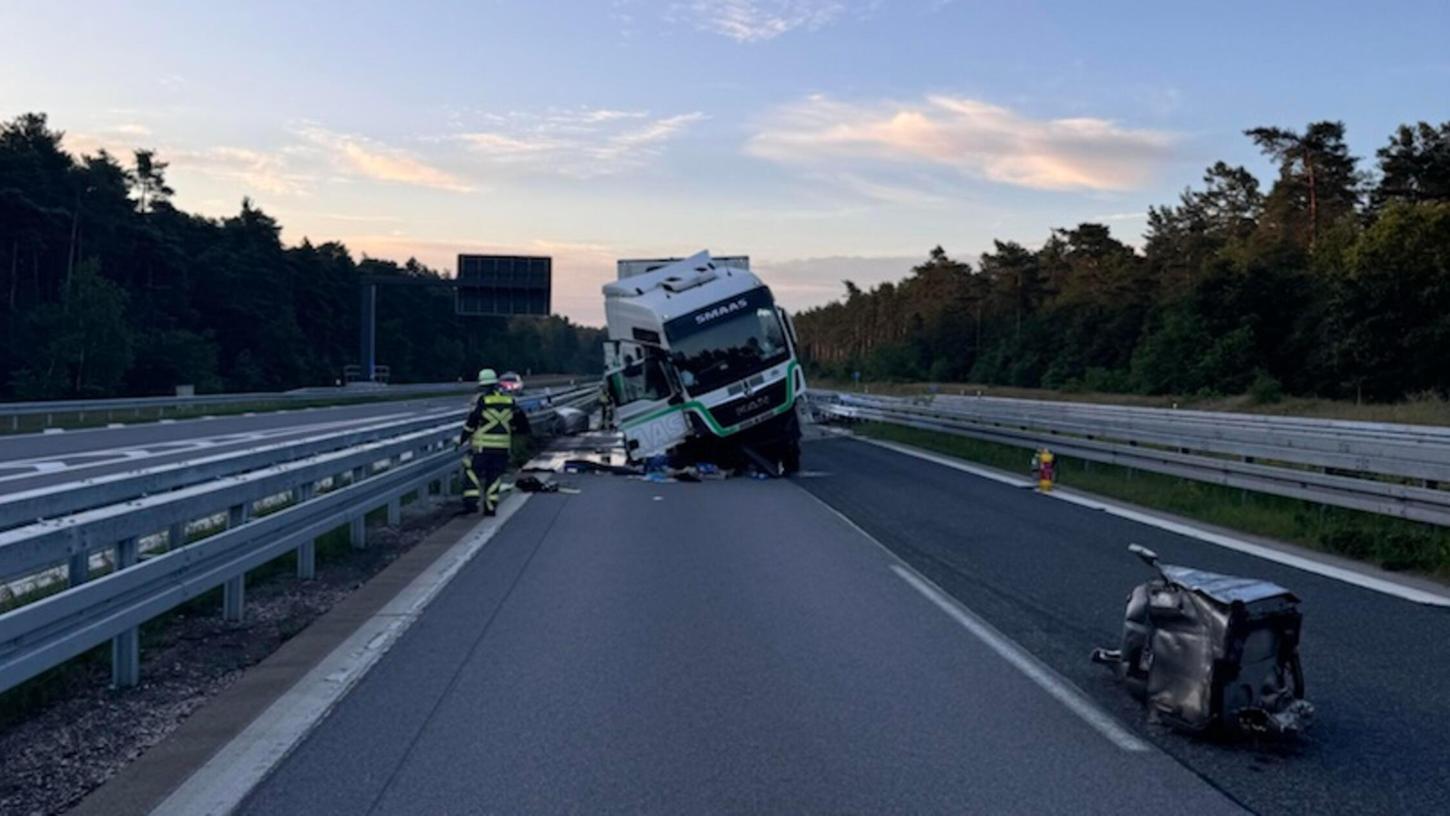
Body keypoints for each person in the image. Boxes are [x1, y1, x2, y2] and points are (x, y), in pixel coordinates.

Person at [460, 368, 531, 516]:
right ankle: (490, 508)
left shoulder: (482, 400)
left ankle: (471, 504)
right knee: (495, 477)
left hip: (483, 448)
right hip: (502, 448)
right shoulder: (509, 401)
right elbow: (523, 424)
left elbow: (472, 422)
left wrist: (463, 439)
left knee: (473, 472)